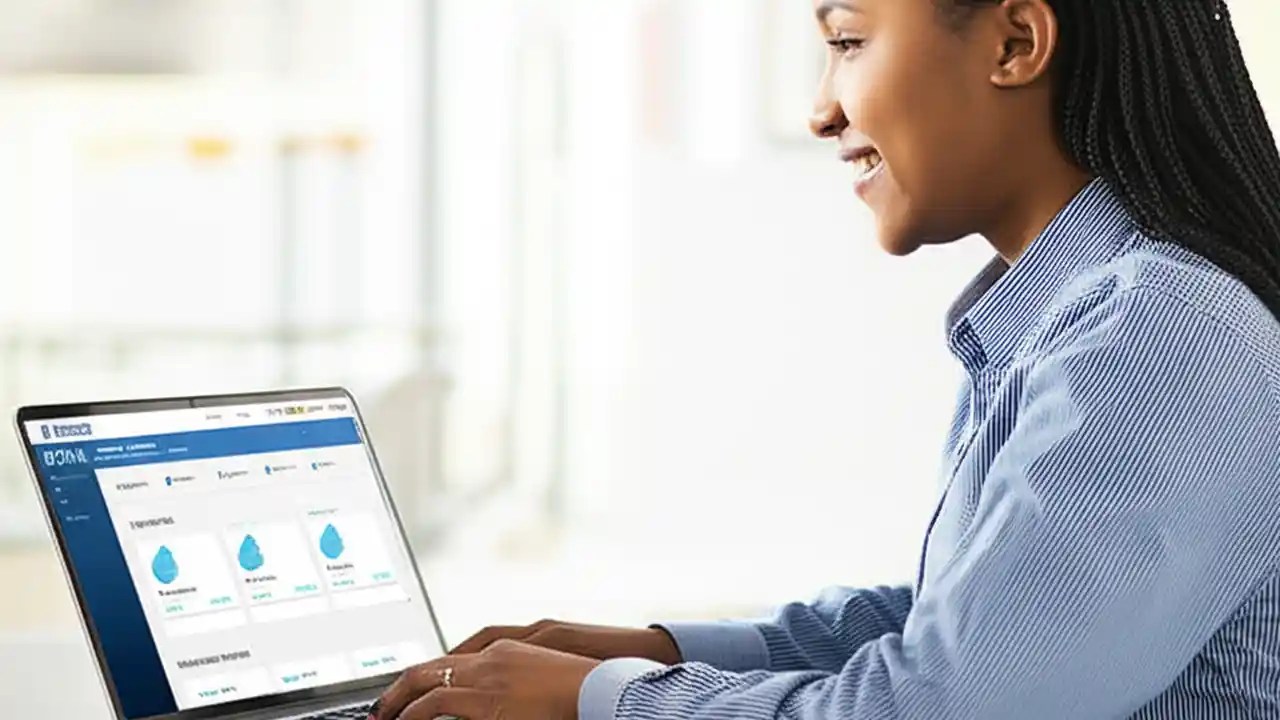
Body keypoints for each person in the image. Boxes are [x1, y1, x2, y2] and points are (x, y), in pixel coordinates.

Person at [373, 0, 1280, 717]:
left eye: (847, 41)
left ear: (1014, 42)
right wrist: (657, 655)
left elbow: (949, 706)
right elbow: (964, 632)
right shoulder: (1081, 320)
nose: (821, 108)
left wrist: (599, 703)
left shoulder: (1165, 333)